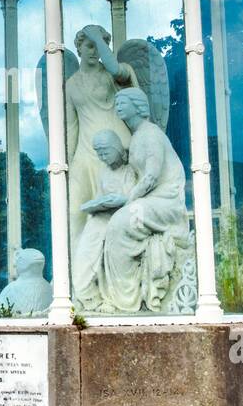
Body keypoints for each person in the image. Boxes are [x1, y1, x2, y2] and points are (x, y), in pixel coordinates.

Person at [100, 88, 191, 313]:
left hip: (166, 203)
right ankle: (125, 292)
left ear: (138, 105)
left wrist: (127, 201)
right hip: (151, 201)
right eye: (117, 101)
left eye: (124, 101)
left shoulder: (150, 134)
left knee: (120, 223)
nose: (118, 105)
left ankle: (125, 298)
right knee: (115, 224)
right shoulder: (138, 135)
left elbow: (150, 177)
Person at [64, 24, 138, 241]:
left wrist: (96, 37)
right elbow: (70, 126)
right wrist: (67, 165)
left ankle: (112, 267)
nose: (94, 51)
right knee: (75, 211)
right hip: (85, 153)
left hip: (115, 148)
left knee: (114, 212)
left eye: (100, 46)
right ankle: (77, 270)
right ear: (79, 48)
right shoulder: (71, 84)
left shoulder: (113, 75)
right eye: (89, 46)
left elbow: (116, 68)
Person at [72, 129, 138, 312]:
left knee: (96, 244)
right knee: (84, 248)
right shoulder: (104, 171)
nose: (102, 157)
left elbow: (134, 198)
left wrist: (121, 200)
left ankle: (92, 295)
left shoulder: (129, 170)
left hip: (119, 218)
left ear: (116, 148)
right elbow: (101, 196)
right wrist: (94, 206)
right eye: (99, 153)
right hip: (101, 217)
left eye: (105, 152)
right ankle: (84, 293)